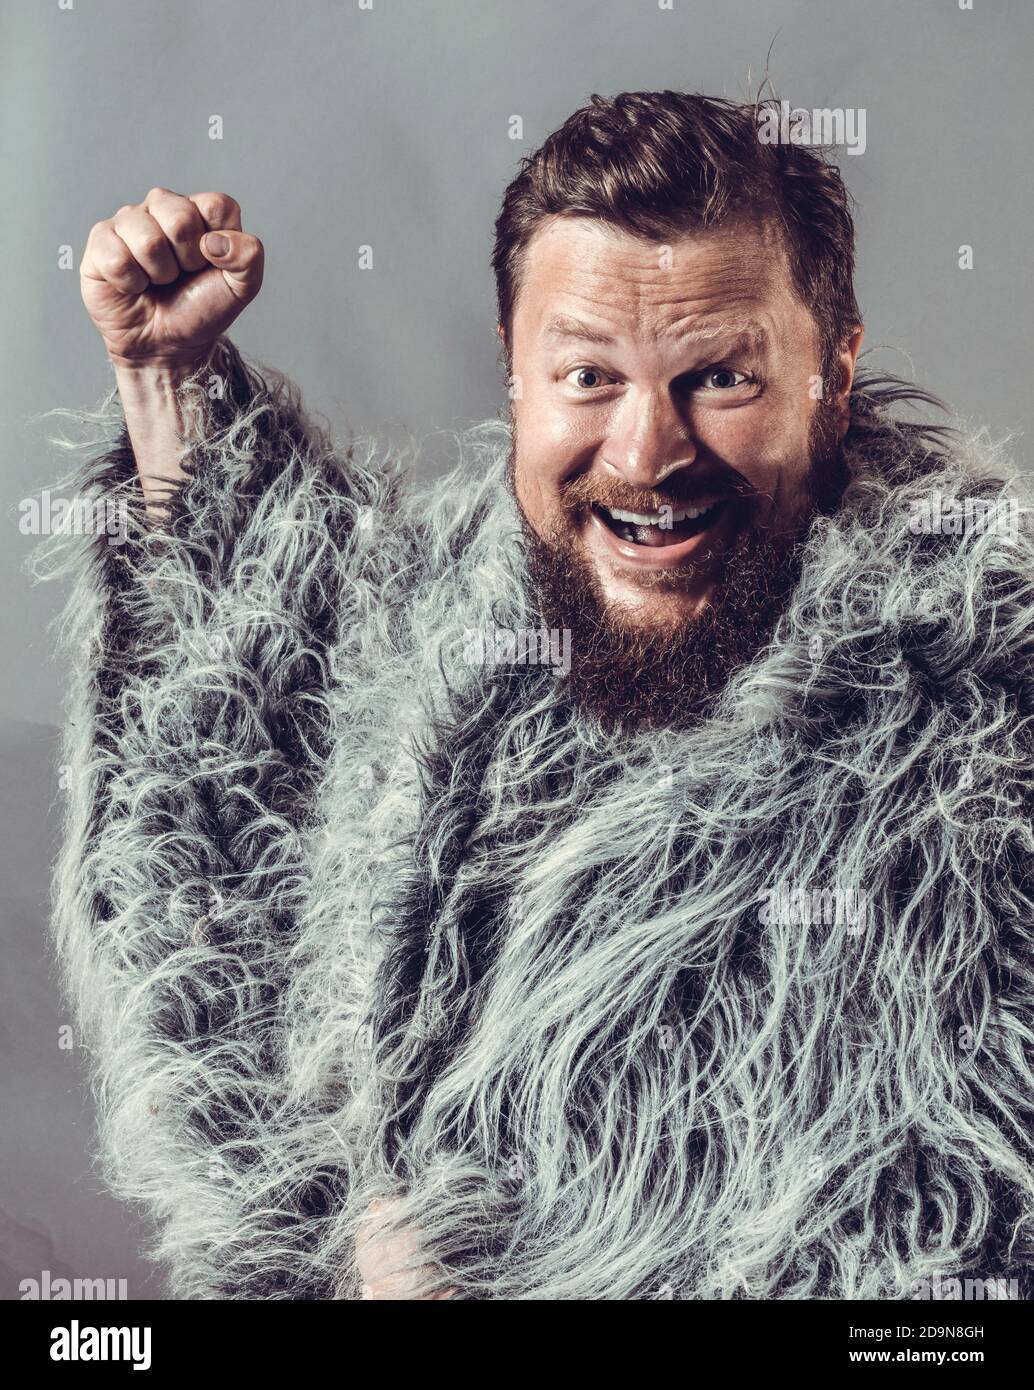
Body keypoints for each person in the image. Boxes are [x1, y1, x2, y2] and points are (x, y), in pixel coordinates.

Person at [53, 91, 1034, 1300]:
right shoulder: (457, 616)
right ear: (514, 372)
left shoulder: (982, 752)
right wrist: (167, 384)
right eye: (586, 374)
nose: (642, 456)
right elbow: (233, 837)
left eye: (718, 378)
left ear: (833, 373)